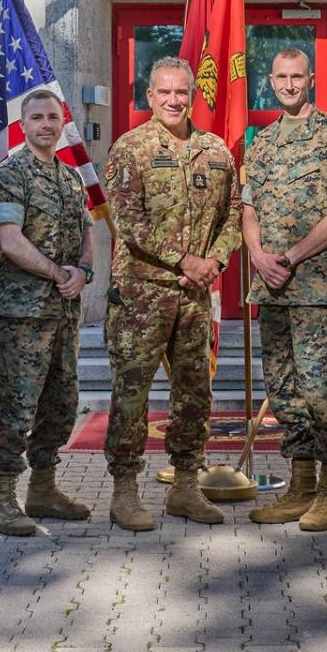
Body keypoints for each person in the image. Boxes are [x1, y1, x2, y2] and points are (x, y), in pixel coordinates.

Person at [101, 56, 242, 531]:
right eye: (164, 92)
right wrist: (185, 261)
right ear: (149, 96)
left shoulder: (216, 150)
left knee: (194, 394)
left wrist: (214, 262)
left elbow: (234, 213)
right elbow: (127, 220)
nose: (174, 100)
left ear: (192, 94)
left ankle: (185, 487)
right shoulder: (130, 149)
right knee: (132, 395)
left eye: (182, 91)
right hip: (142, 294)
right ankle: (124, 491)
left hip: (194, 296)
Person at [240, 47, 327, 531]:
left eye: (297, 77)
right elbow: (248, 209)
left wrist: (289, 258)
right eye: (281, 77)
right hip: (271, 289)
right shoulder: (262, 143)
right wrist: (257, 255)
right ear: (270, 80)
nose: (289, 84)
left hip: (315, 289)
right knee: (284, 391)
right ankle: (301, 486)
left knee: (320, 390)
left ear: (311, 79)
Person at [0, 88, 96, 536]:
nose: (46, 125)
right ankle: (3, 499)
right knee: (18, 406)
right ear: (23, 124)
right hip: (23, 314)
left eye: (52, 117)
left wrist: (83, 271)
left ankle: (43, 489)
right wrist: (57, 273)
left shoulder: (70, 179)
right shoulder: (10, 175)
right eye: (37, 118)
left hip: (64, 312)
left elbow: (89, 233)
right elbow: (9, 241)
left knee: (61, 404)